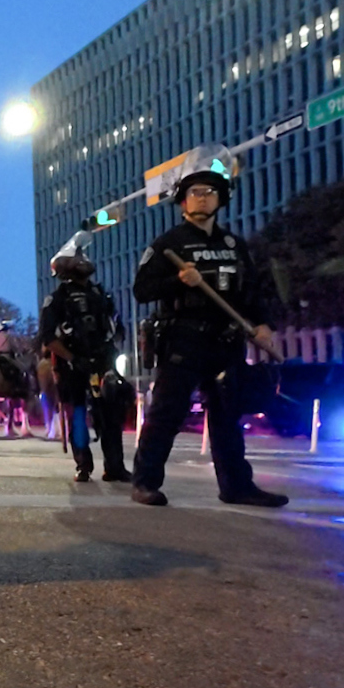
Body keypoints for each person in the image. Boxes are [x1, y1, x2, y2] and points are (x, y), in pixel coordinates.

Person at [129, 145, 286, 508]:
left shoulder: (235, 246)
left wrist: (264, 325)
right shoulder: (169, 244)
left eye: (210, 191)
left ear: (222, 197)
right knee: (167, 414)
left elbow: (253, 291)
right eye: (195, 192)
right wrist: (179, 281)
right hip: (184, 339)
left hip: (227, 341)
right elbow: (142, 290)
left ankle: (237, 487)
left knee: (227, 418)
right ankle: (145, 482)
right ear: (183, 201)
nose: (202, 198)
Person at [41, 235, 131, 484]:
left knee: (112, 413)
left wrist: (111, 352)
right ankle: (83, 465)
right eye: (78, 257)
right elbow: (48, 337)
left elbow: (116, 326)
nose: (83, 260)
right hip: (72, 365)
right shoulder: (57, 298)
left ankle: (115, 466)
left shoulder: (100, 293)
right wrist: (72, 358)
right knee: (78, 415)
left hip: (103, 362)